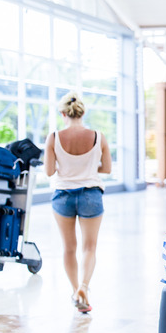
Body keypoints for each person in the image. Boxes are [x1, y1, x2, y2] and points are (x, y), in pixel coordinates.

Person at [43, 92, 112, 313]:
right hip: (91, 195)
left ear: (63, 113)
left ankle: (75, 292)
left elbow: (49, 171)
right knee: (89, 247)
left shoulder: (54, 137)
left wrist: (68, 165)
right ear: (83, 113)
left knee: (69, 248)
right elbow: (107, 168)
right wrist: (88, 166)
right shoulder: (98, 136)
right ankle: (84, 286)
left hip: (63, 195)